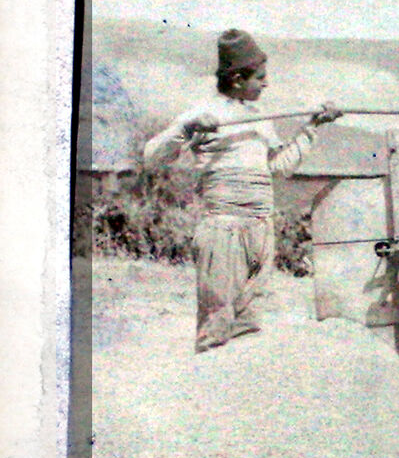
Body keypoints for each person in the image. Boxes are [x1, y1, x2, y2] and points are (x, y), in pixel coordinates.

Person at [143, 28, 342, 353]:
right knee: (217, 327)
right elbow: (153, 157)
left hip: (260, 230)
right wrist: (187, 130)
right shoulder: (204, 115)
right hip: (223, 231)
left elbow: (278, 167)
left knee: (248, 326)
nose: (266, 83)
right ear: (237, 79)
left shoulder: (260, 118)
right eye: (260, 77)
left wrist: (313, 127)